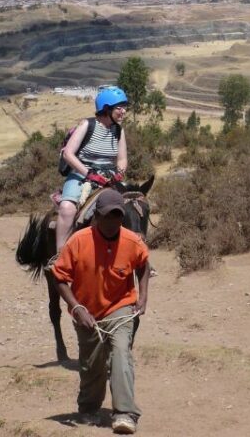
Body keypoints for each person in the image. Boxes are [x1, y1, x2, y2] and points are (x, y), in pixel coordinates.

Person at [52, 189, 150, 435]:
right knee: (92, 364)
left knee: (120, 352)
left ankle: (125, 413)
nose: (112, 221)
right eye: (108, 216)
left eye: (117, 216)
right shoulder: (78, 241)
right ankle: (88, 408)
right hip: (86, 310)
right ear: (97, 216)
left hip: (121, 307)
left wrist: (143, 296)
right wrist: (76, 307)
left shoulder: (132, 242)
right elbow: (60, 278)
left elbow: (144, 266)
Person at [54, 86, 129, 256]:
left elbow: (122, 159)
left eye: (124, 107)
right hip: (82, 175)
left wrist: (119, 173)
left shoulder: (119, 130)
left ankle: (137, 253)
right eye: (119, 107)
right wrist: (89, 173)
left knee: (133, 205)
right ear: (106, 108)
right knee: (67, 208)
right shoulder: (87, 125)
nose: (123, 111)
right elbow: (68, 153)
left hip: (109, 177)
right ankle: (59, 255)